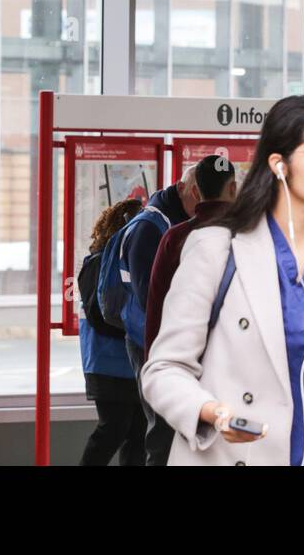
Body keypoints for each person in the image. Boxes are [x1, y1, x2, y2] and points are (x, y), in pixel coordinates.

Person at [143, 95, 304, 466]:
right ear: (279, 164)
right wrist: (212, 411)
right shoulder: (217, 246)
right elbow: (163, 369)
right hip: (237, 453)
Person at [139, 153, 238, 465]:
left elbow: (155, 306)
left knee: (169, 446)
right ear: (234, 189)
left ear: (195, 192)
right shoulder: (252, 237)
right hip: (236, 372)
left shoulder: (176, 238)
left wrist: (155, 364)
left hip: (187, 369)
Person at [121, 163, 198, 464]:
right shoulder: (151, 227)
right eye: (197, 197)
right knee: (163, 430)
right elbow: (148, 297)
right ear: (182, 189)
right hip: (149, 343)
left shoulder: (185, 223)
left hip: (173, 341)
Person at [79, 199, 146, 466]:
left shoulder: (126, 263)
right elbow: (99, 316)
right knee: (113, 429)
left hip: (129, 362)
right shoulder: (98, 264)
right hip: (107, 364)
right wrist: (135, 326)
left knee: (137, 434)